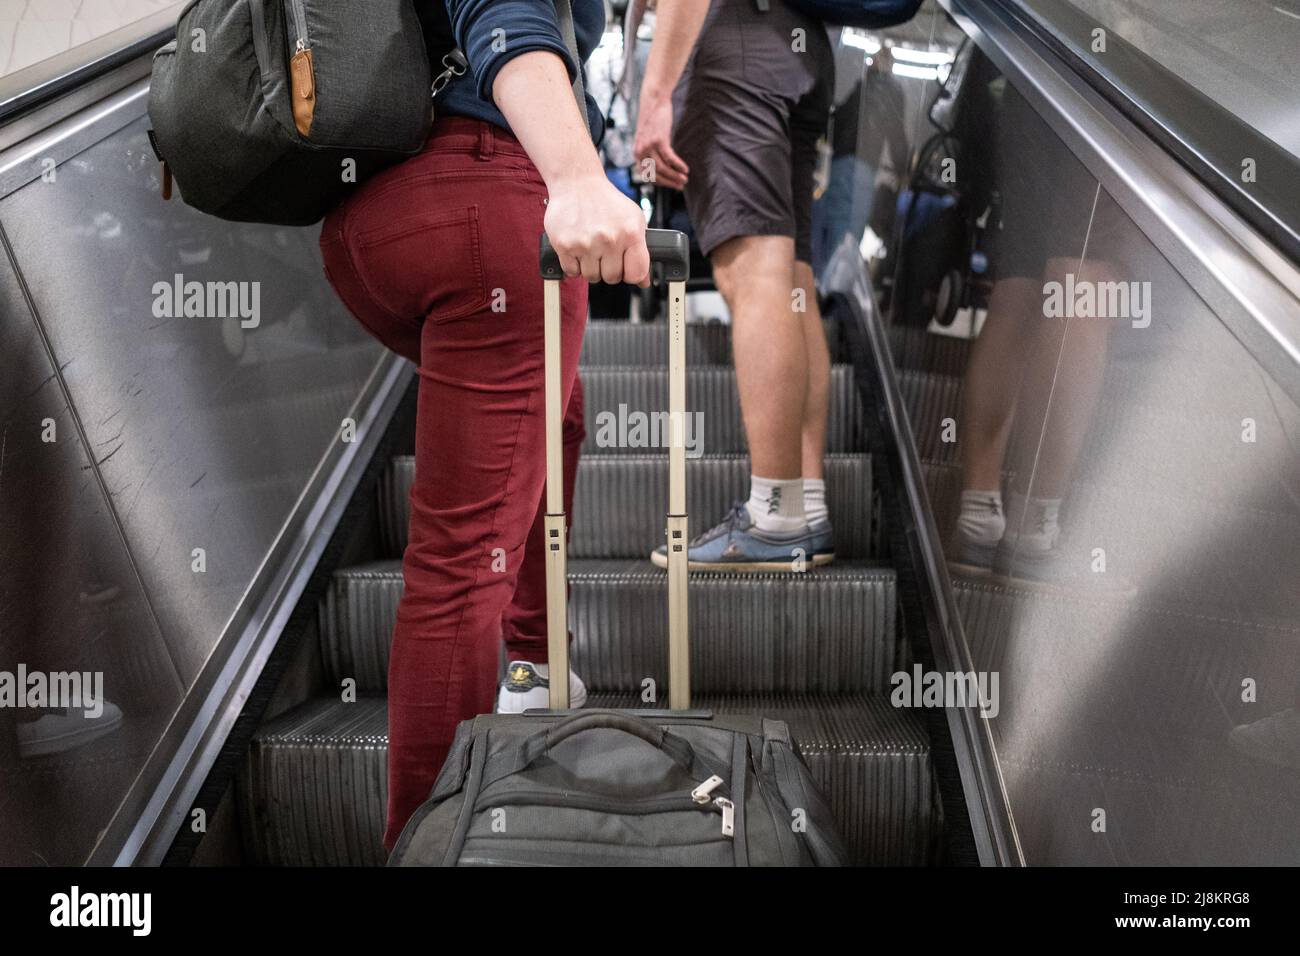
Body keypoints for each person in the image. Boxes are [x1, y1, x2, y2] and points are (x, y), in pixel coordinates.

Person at [318, 0, 650, 850]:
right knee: (463, 566)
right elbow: (503, 7)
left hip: (379, 216)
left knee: (551, 416)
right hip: (486, 198)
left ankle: (535, 665)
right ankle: (427, 843)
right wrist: (578, 176)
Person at [634, 0, 836, 571]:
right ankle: (805, 505)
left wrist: (655, 97)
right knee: (791, 277)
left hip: (731, 47)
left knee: (754, 274)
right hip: (799, 42)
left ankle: (774, 516)